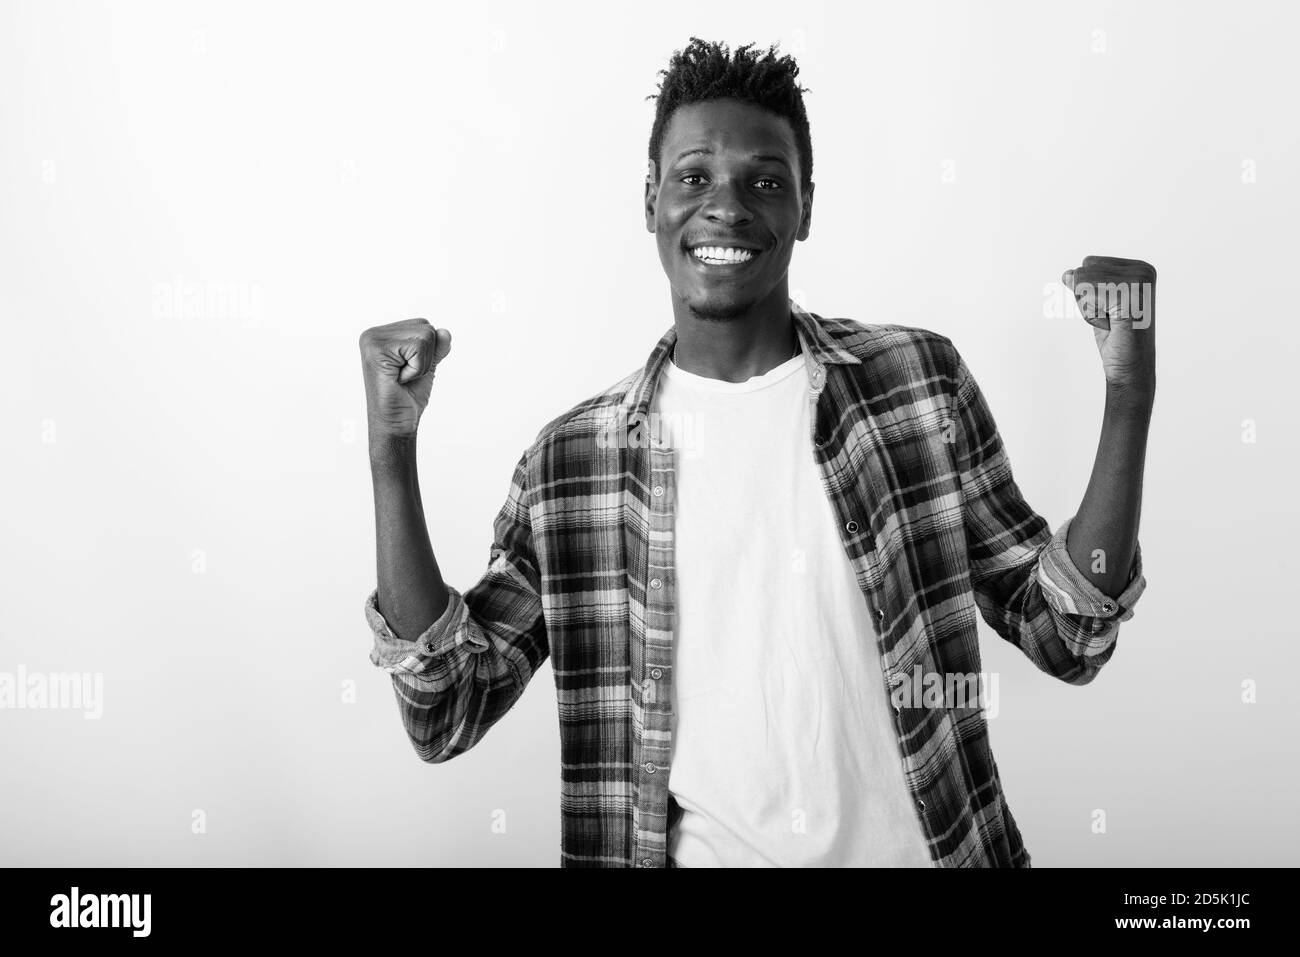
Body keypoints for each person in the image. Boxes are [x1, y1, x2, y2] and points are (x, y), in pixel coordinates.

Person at [358, 37, 1154, 868]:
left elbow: (1063, 635)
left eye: (765, 180)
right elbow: (447, 709)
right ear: (650, 200)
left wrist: (1128, 395)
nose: (726, 205)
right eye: (694, 176)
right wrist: (391, 449)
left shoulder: (918, 385)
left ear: (806, 205)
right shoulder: (573, 465)